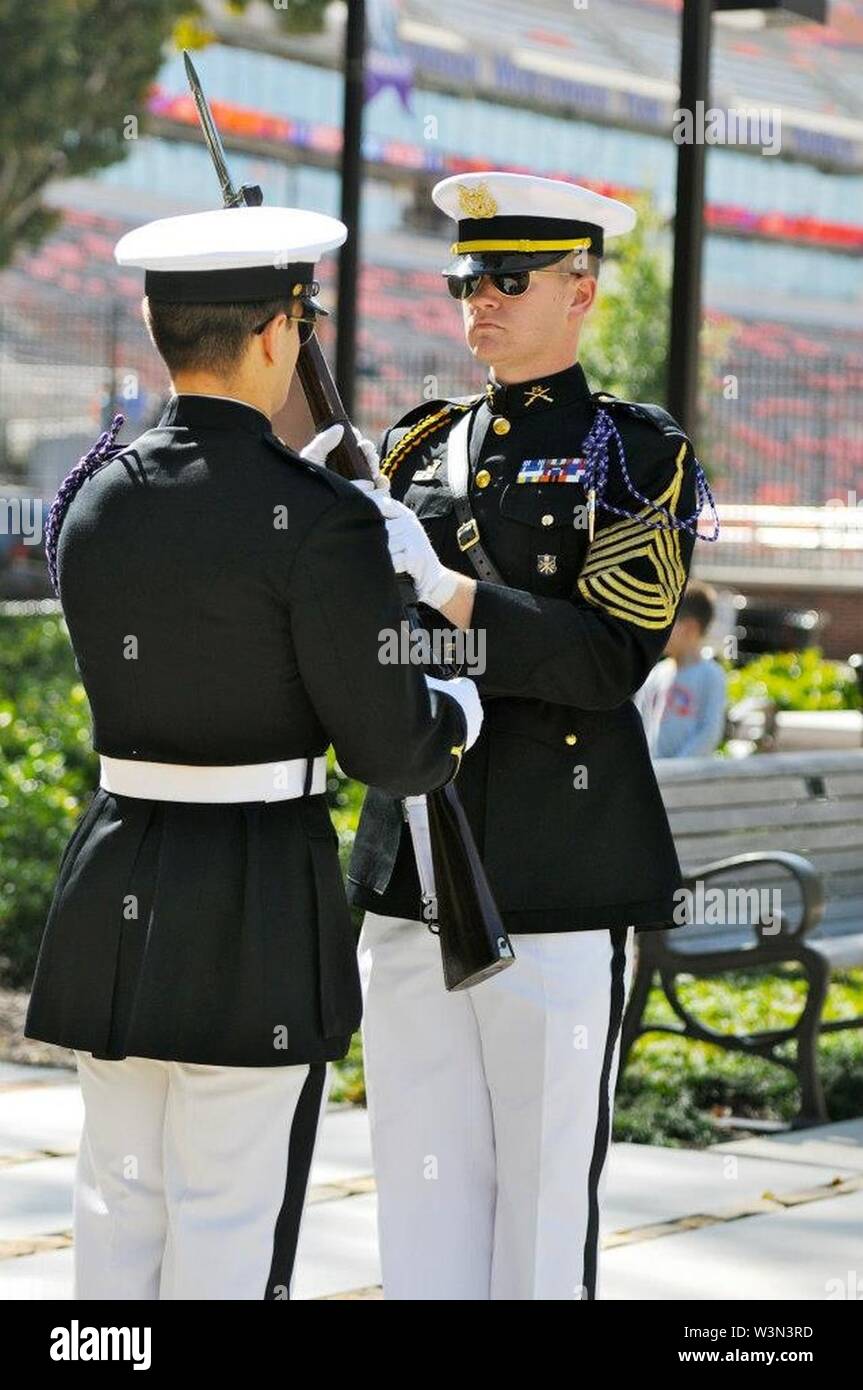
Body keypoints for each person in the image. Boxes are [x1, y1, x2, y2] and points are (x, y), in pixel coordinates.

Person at [24, 203, 483, 1301]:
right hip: (253, 899)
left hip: (117, 881)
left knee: (114, 1205)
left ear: (156, 328)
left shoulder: (92, 501)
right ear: (282, 332)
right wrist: (454, 706)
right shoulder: (321, 516)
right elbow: (390, 746)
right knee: (229, 1218)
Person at [330, 171, 719, 1300]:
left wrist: (451, 594)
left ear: (581, 291)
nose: (479, 301)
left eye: (507, 278)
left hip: (556, 870)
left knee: (543, 1200)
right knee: (417, 1175)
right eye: (466, 278)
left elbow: (604, 663)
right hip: (417, 857)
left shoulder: (636, 457)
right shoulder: (413, 450)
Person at [634, 580, 727, 758]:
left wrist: (678, 767)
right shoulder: (655, 675)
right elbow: (639, 725)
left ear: (690, 628)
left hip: (685, 780)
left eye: (666, 622)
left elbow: (709, 733)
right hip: (654, 774)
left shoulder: (711, 676)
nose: (657, 629)